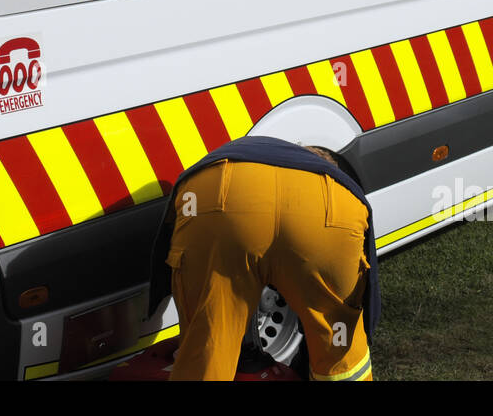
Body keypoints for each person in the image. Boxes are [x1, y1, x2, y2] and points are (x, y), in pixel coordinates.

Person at [147, 134, 380, 381]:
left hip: (213, 197)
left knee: (207, 346)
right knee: (338, 342)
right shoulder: (341, 186)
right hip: (330, 211)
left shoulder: (246, 150)